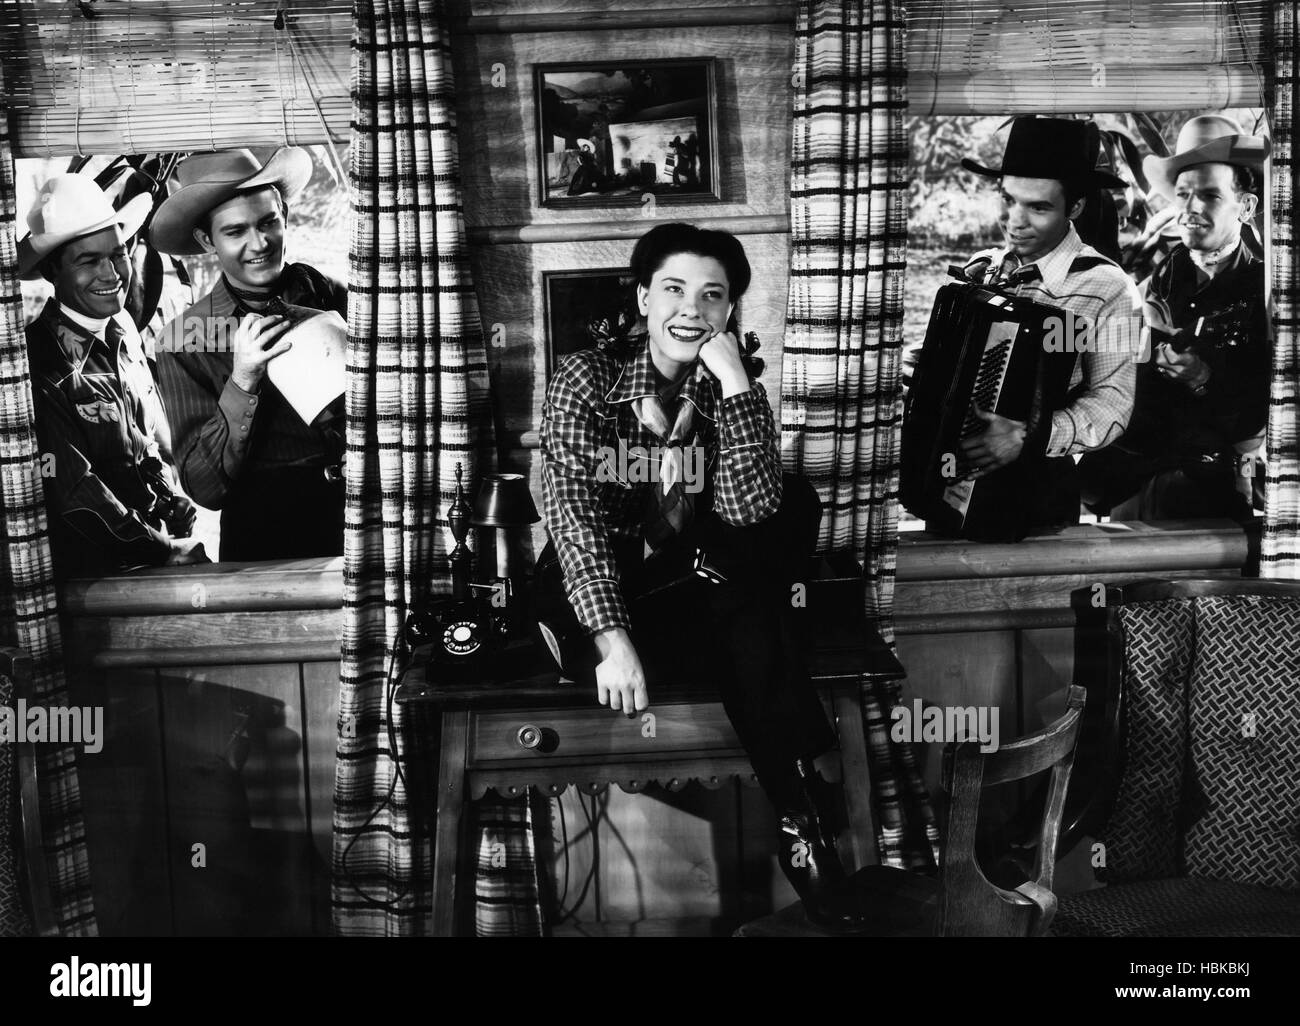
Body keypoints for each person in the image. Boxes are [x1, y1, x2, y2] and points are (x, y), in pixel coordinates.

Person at [538, 223, 864, 931]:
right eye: (676, 290)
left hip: (699, 587)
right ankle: (806, 807)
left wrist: (739, 386)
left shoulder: (728, 385)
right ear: (644, 297)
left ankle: (799, 826)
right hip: (603, 588)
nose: (693, 309)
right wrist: (612, 640)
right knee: (749, 592)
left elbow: (748, 514)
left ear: (729, 312)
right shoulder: (584, 379)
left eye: (713, 296)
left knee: (774, 523)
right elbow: (574, 517)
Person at [151, 148, 347, 561]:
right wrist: (243, 379)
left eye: (268, 222)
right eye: (236, 231)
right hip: (266, 538)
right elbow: (206, 489)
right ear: (207, 240)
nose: (259, 243)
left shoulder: (336, 296)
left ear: (285, 216)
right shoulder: (184, 339)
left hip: (360, 520)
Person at [1078, 115, 1271, 521]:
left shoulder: (1266, 290)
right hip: (1130, 472)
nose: (1190, 209)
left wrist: (1203, 379)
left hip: (1209, 482)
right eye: (1183, 194)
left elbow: (1260, 420)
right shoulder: (1162, 273)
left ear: (1247, 205)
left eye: (1210, 196)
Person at [958, 117, 1143, 530]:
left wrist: (1029, 436)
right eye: (1009, 200)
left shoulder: (1112, 290)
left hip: (1035, 492)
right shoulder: (982, 268)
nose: (1015, 221)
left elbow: (1113, 405)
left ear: (1075, 207)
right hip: (951, 471)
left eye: (1038, 206)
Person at [20, 173, 204, 578]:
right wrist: (165, 550)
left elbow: (140, 445)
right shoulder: (39, 362)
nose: (112, 274)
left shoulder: (126, 338)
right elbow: (74, 492)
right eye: (89, 261)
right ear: (53, 271)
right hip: (93, 580)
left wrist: (168, 498)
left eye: (118, 254)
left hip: (150, 558)